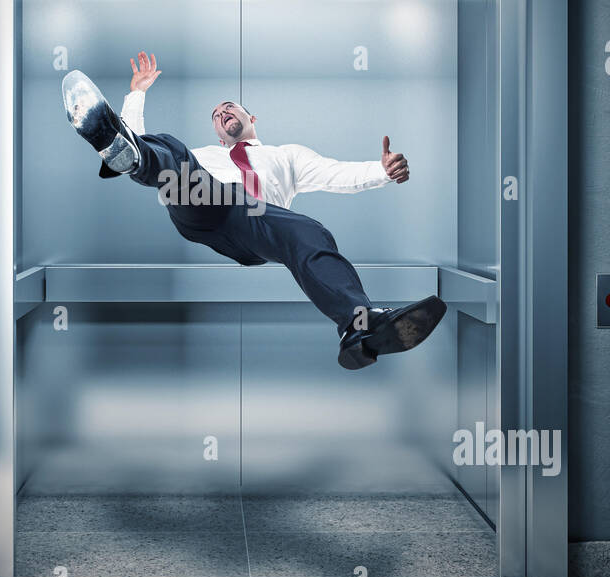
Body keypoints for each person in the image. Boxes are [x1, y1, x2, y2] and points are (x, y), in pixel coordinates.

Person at [62, 52, 446, 370]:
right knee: (172, 154)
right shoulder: (207, 155)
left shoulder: (286, 156)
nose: (223, 113)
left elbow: (335, 173)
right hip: (203, 205)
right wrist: (136, 96)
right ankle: (124, 152)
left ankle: (361, 326)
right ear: (216, 132)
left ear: (251, 119)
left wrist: (382, 171)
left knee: (310, 231)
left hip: (260, 228)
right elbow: (146, 140)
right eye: (216, 114)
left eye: (230, 108)